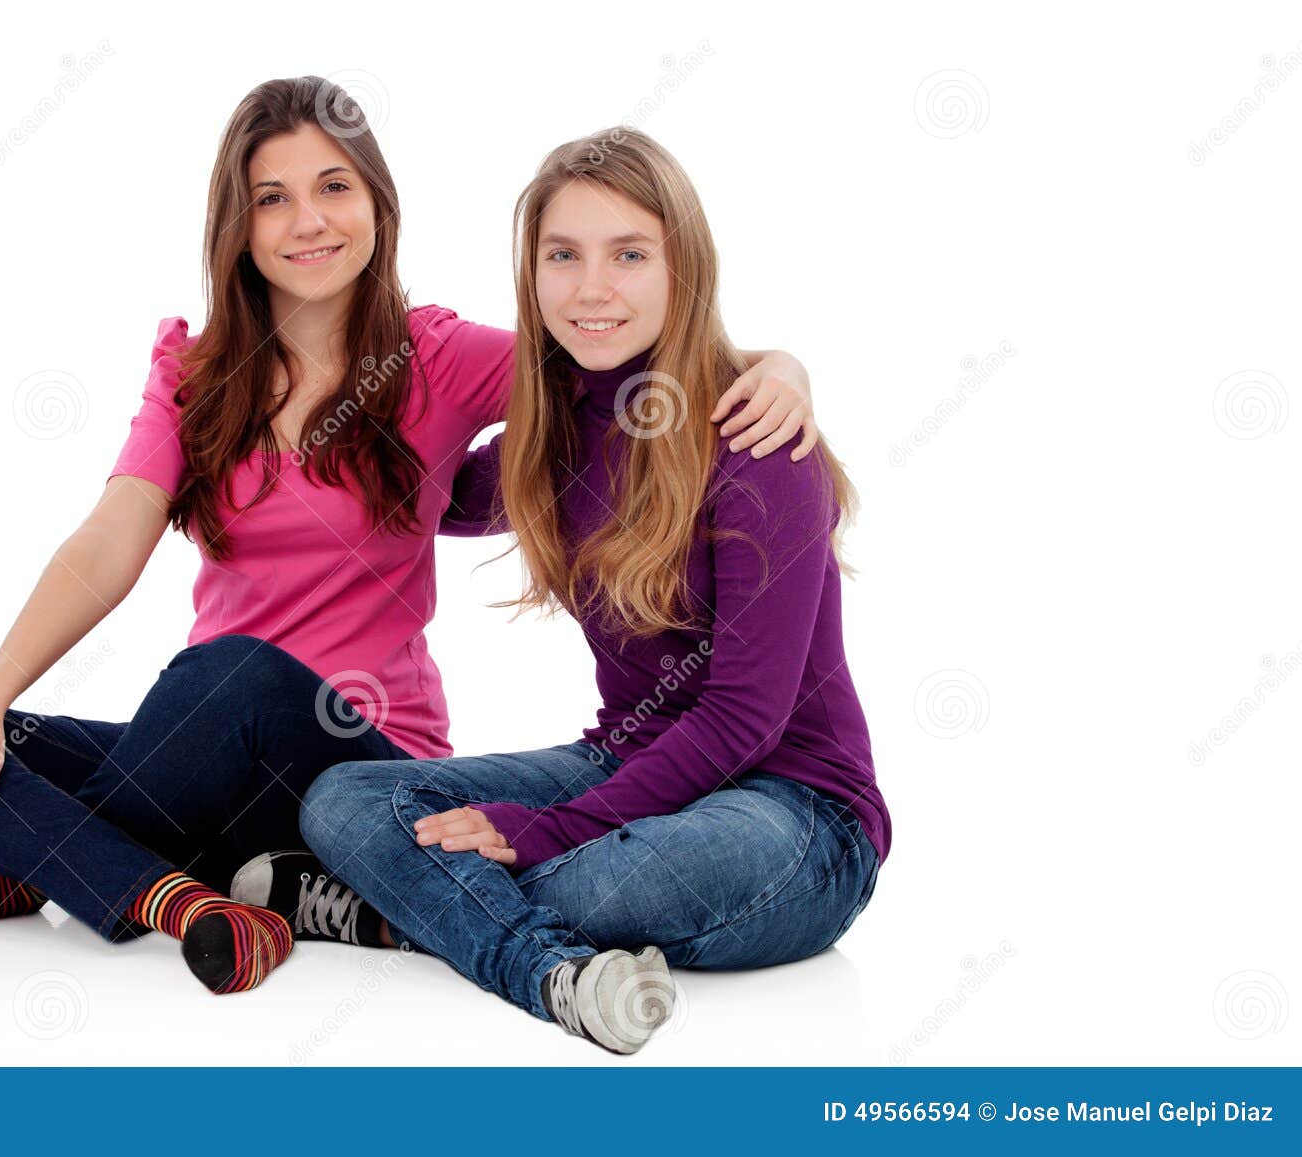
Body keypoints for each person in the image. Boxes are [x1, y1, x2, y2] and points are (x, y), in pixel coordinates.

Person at [0, 78, 820, 997]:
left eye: (334, 188)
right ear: (236, 229)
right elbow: (109, 539)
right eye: (271, 199)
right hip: (197, 751)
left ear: (377, 205)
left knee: (230, 674)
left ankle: (36, 871)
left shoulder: (441, 357)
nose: (308, 221)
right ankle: (184, 898)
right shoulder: (196, 377)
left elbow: (608, 378)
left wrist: (782, 367)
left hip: (361, 748)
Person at [259, 126, 889, 1053]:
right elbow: (420, 494)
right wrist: (324, 355)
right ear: (534, 274)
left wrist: (550, 830)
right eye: (564, 255)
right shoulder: (554, 436)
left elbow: (744, 718)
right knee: (347, 799)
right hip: (628, 765)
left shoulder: (757, 437)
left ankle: (397, 913)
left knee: (602, 878)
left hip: (796, 813)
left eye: (629, 254)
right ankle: (536, 961)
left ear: (684, 268)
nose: (592, 288)